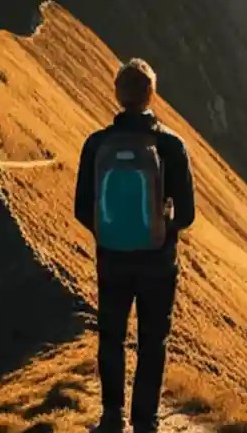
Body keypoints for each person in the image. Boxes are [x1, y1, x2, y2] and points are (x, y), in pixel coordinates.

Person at [74, 58, 195, 433]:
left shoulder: (96, 145)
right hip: (158, 262)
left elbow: (82, 209)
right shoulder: (170, 144)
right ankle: (145, 422)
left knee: (111, 336)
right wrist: (160, 233)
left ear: (117, 94)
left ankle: (112, 416)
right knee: (152, 340)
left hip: (112, 260)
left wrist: (110, 235)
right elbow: (187, 213)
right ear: (151, 94)